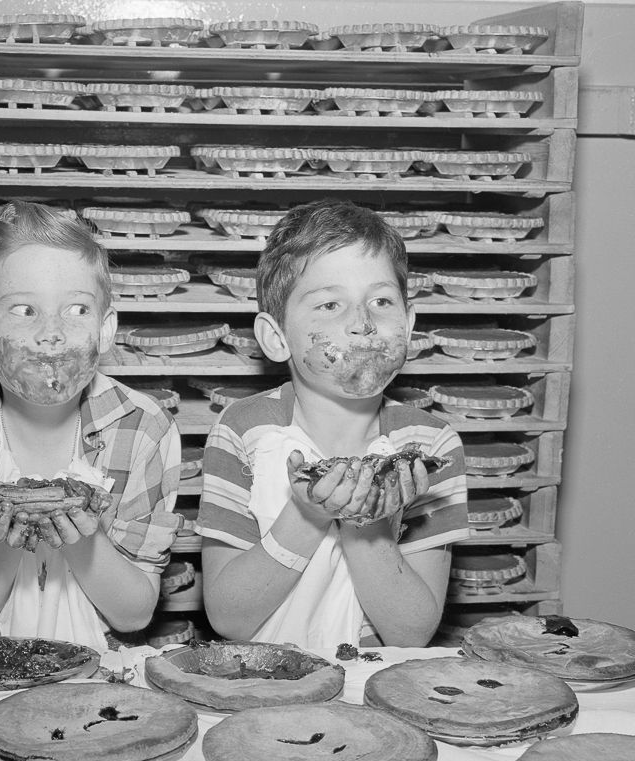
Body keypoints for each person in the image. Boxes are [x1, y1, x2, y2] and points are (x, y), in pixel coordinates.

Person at [0, 201, 182, 649]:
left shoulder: (144, 427)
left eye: (76, 310)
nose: (50, 332)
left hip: (104, 664)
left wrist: (85, 541)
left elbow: (134, 614)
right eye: (23, 310)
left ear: (105, 329)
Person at [196, 200, 469, 649]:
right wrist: (308, 514)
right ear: (277, 338)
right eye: (329, 304)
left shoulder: (431, 447)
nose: (362, 323)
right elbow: (229, 619)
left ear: (409, 323)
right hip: (264, 685)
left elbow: (411, 632)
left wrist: (367, 523)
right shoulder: (243, 430)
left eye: (381, 301)